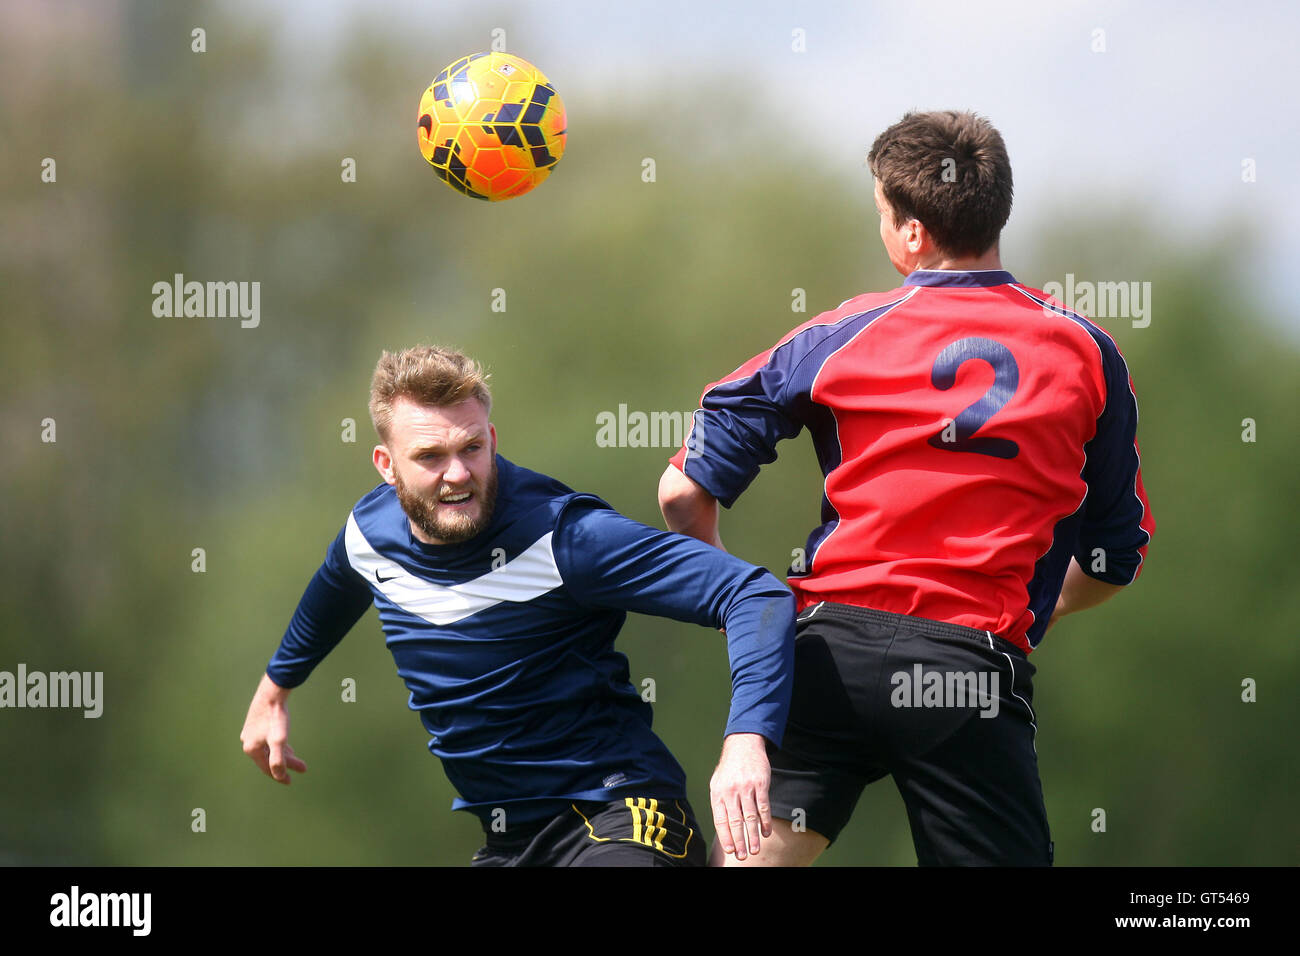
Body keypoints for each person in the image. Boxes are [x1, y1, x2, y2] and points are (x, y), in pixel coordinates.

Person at [657, 110, 1154, 866]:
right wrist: (1031, 609)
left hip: (827, 654)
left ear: (912, 233)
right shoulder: (1088, 353)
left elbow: (681, 495)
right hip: (968, 672)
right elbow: (1117, 558)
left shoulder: (837, 335)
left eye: (883, 215)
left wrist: (738, 607)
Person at [240, 345, 795, 866]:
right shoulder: (368, 534)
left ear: (492, 439)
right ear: (386, 465)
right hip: (508, 844)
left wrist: (747, 743)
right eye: (430, 456)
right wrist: (274, 691)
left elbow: (753, 595)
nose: (457, 474)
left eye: (472, 449)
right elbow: (334, 587)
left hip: (622, 816)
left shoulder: (564, 537)